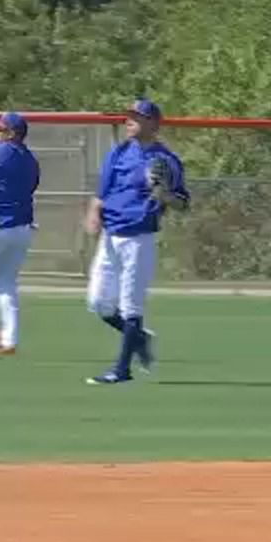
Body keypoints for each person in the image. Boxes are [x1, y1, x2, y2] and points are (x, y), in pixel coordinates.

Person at [85, 98, 190, 385]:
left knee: (131, 306)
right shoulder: (117, 154)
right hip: (110, 235)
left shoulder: (166, 160)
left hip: (138, 237)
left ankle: (122, 370)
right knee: (99, 303)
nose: (129, 121)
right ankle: (140, 338)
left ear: (154, 124)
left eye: (137, 117)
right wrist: (93, 213)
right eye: (128, 116)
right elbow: (101, 193)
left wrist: (165, 195)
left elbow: (182, 202)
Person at [0, 112, 40, 355]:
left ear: (12, 133)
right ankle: (10, 339)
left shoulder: (2, 152)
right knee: (6, 284)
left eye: (1, 130)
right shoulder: (31, 159)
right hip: (21, 228)